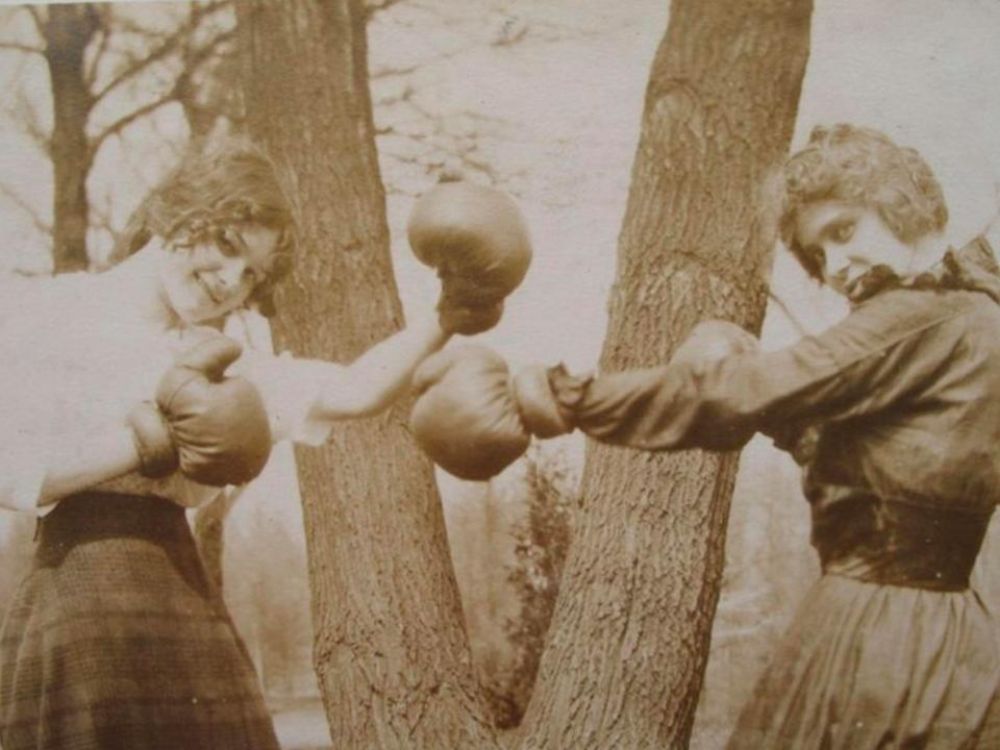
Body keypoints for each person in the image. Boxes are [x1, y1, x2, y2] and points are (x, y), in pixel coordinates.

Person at [409, 123, 1000, 748]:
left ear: (900, 202)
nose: (837, 265)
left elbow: (737, 392)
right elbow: (896, 475)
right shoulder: (974, 315)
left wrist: (556, 398)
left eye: (844, 230)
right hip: (952, 635)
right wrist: (781, 414)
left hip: (877, 635)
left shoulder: (917, 317)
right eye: (819, 254)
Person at [0, 140, 531, 750]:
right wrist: (149, 441)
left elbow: (352, 391)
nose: (231, 280)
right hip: (79, 592)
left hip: (177, 584)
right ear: (178, 211)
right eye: (227, 245)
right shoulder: (58, 310)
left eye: (252, 273)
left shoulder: (215, 364)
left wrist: (446, 315)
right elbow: (10, 471)